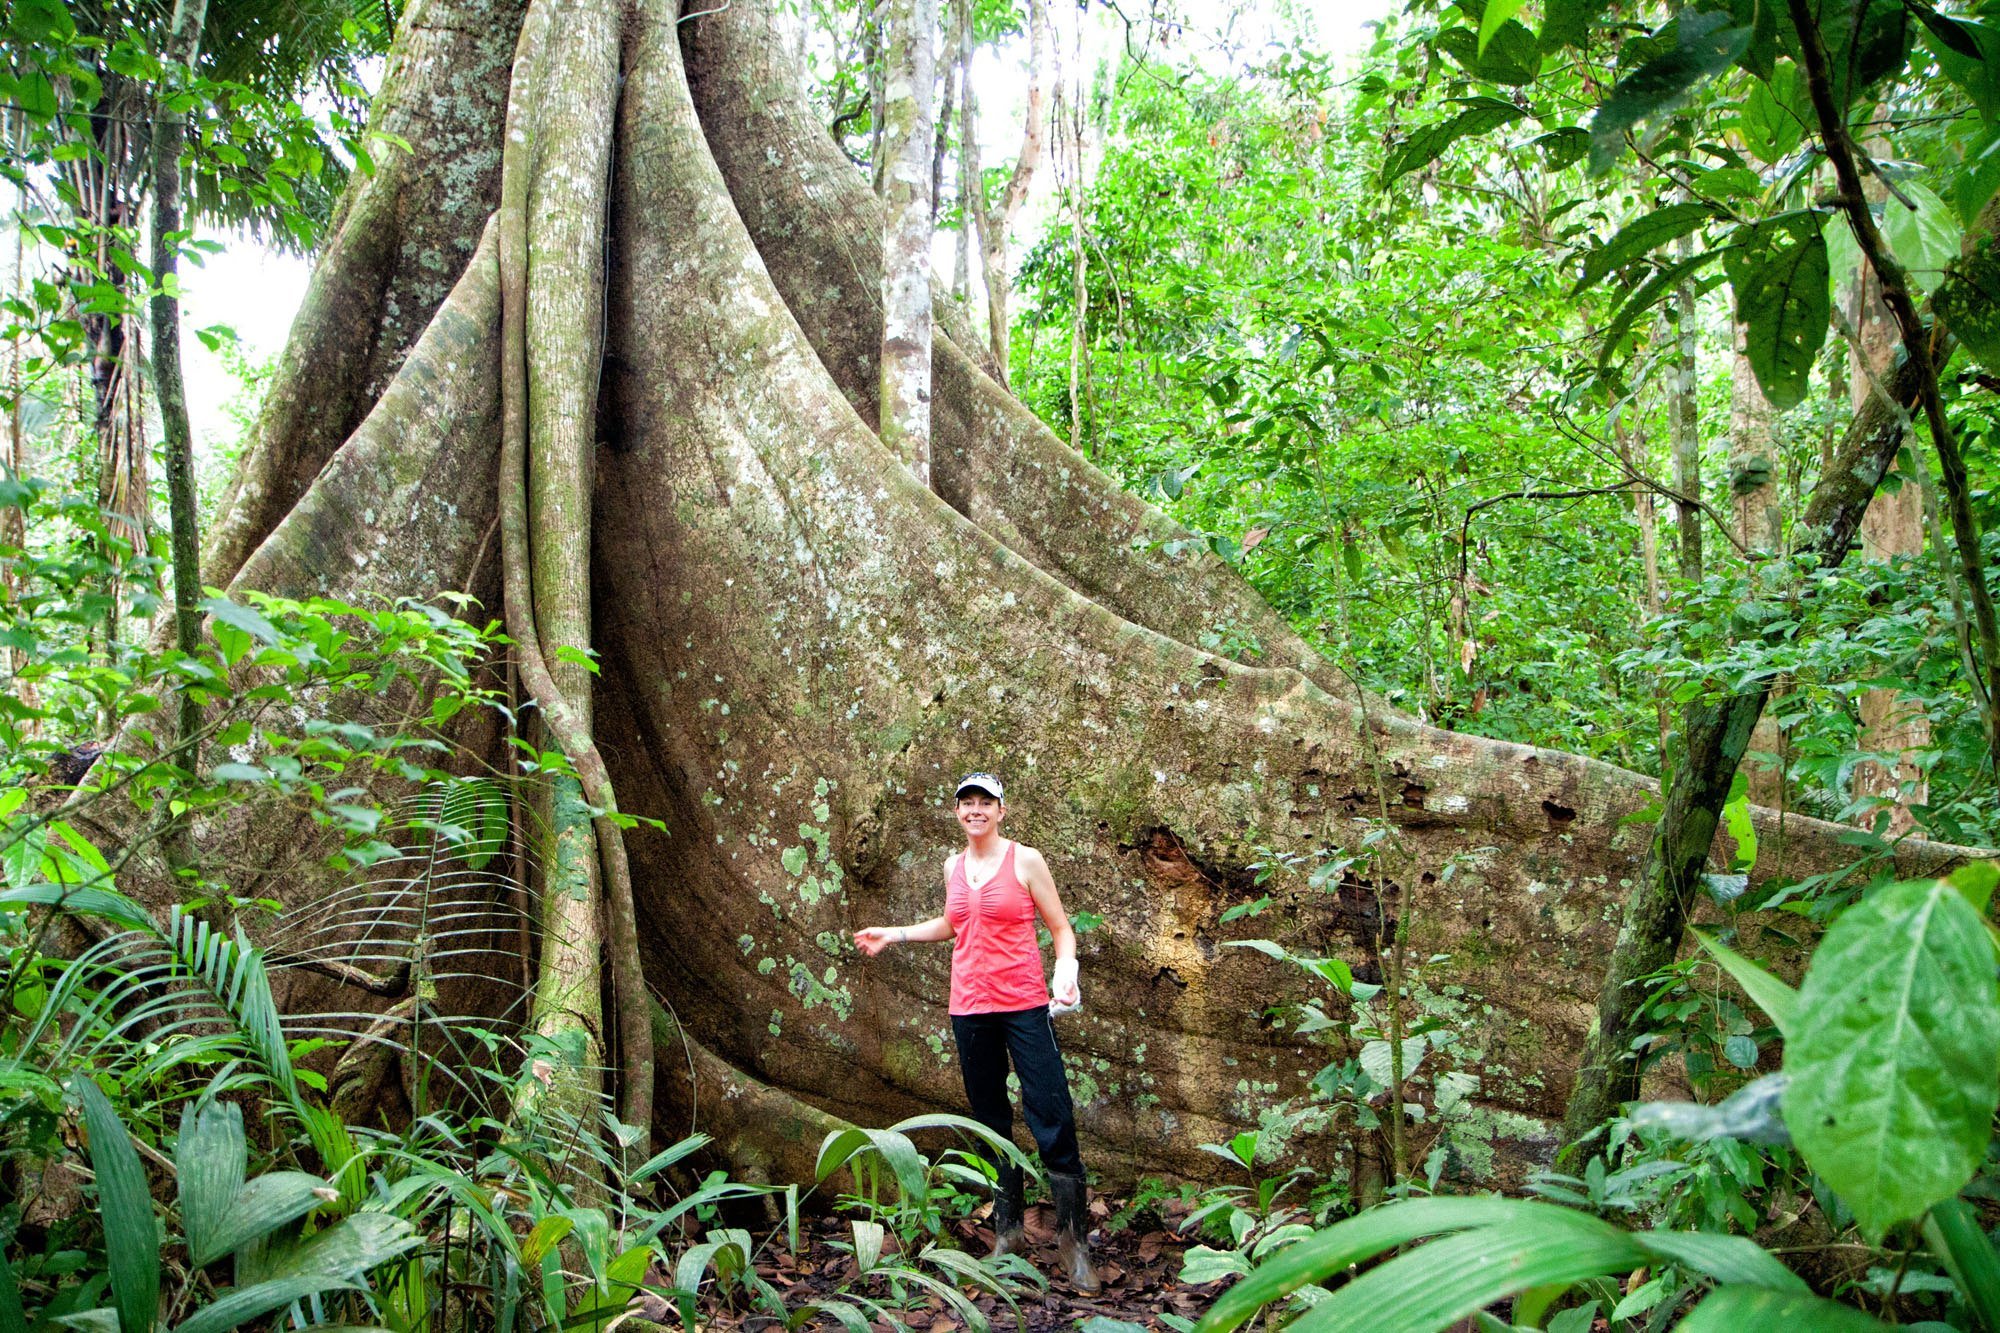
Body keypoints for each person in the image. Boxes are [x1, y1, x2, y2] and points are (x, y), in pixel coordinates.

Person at [853, 771, 1101, 1292]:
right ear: (957, 812)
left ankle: (1074, 1243)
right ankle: (1007, 1235)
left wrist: (1066, 973)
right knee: (989, 1118)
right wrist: (894, 934)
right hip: (969, 1007)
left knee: (1051, 1110)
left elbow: (1061, 929)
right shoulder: (953, 865)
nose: (975, 809)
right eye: (966, 802)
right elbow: (953, 924)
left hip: (1026, 1005)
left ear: (1001, 811)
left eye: (985, 801)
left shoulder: (1026, 860)